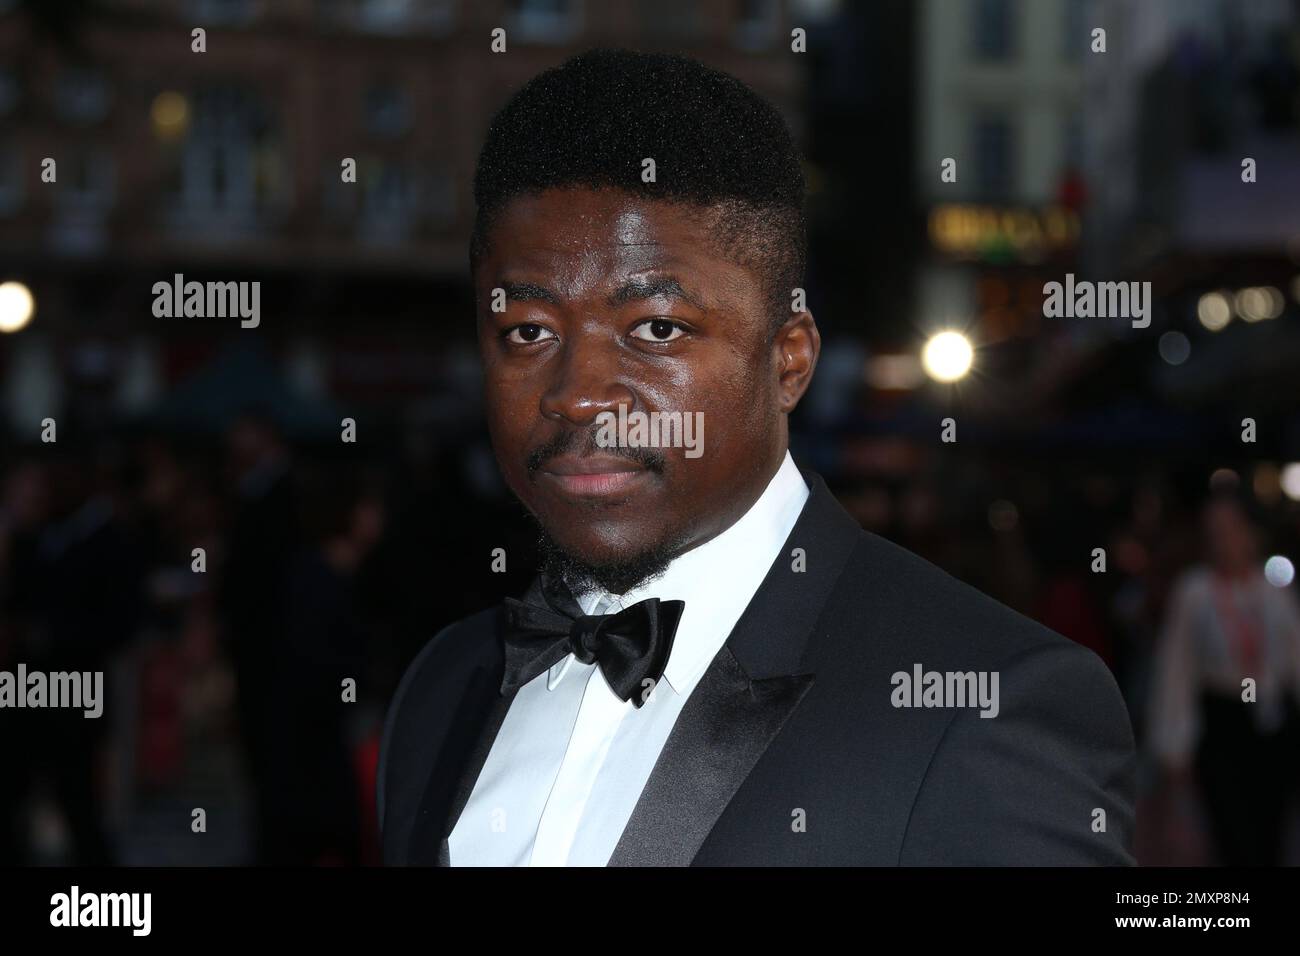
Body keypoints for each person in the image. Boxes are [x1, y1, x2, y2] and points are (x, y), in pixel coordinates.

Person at [377, 49, 1136, 866]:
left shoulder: (987, 706)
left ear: (789, 361)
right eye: (528, 331)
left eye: (656, 329)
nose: (579, 395)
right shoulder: (442, 685)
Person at [1148, 492, 1300, 865]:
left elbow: (1293, 656)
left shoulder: (1273, 589)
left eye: (1230, 530)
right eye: (1213, 532)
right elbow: (1176, 668)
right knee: (1231, 830)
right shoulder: (1195, 591)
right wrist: (1174, 744)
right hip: (1222, 720)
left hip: (1271, 721)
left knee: (1271, 830)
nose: (1223, 541)